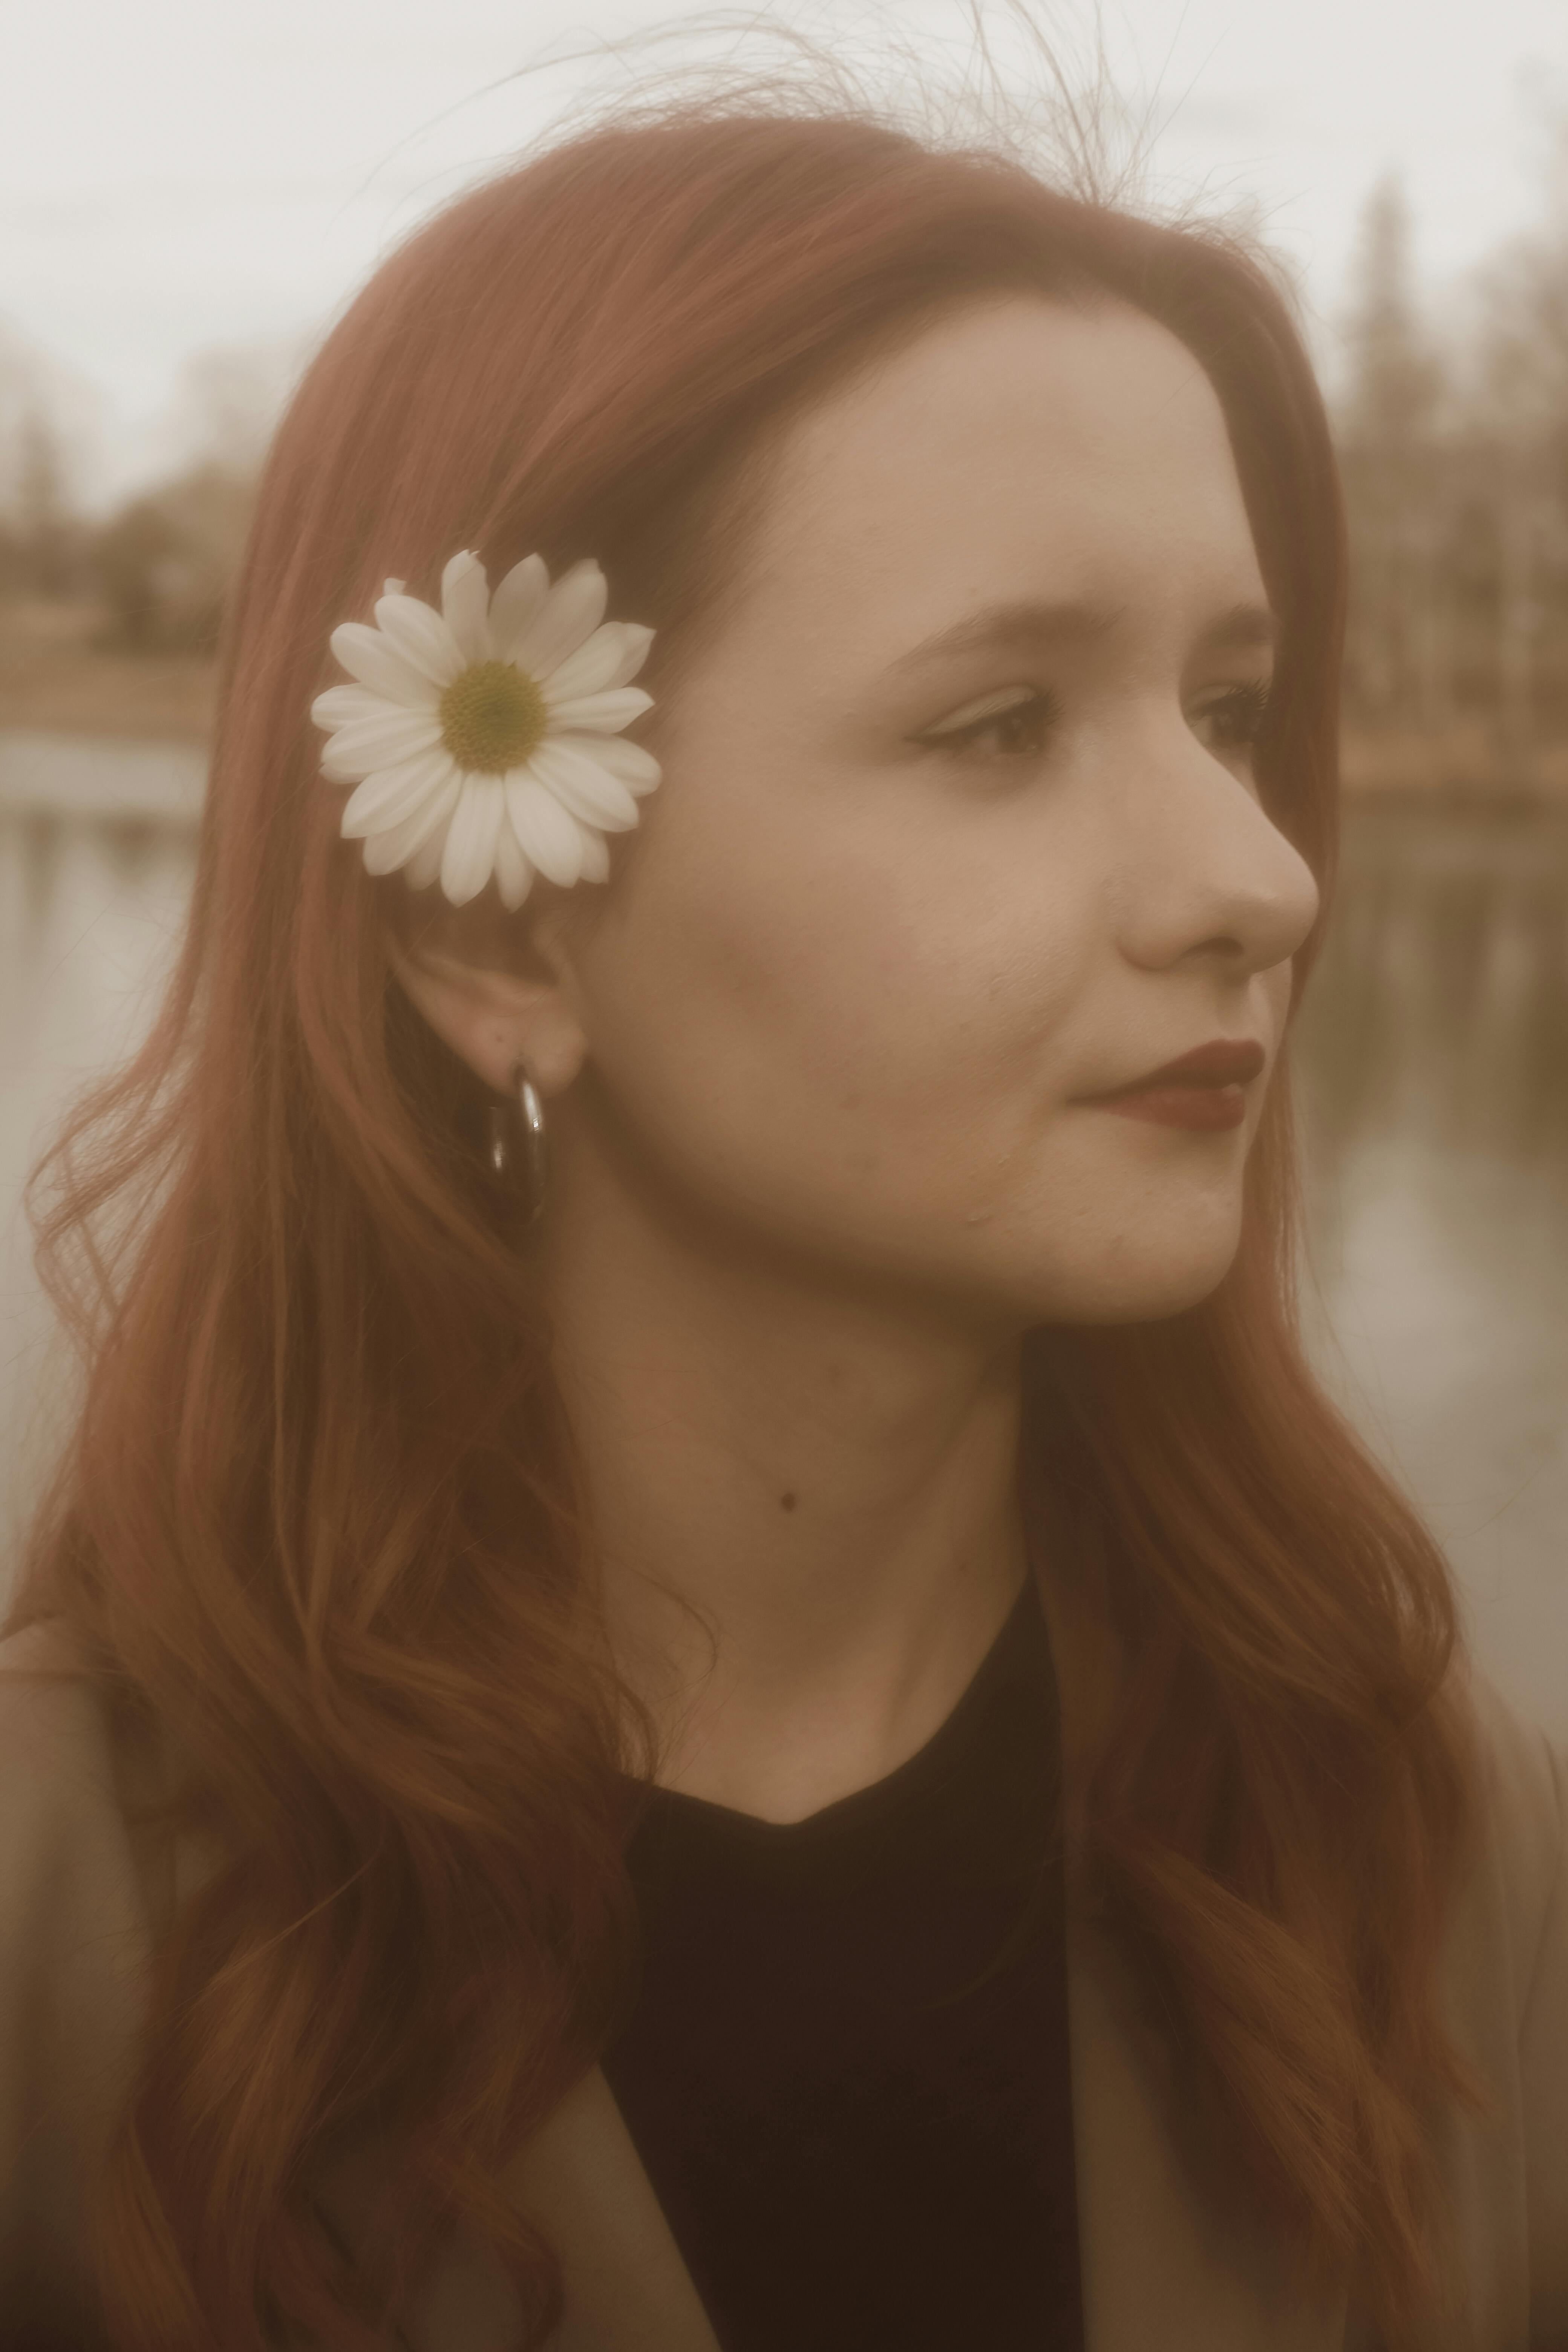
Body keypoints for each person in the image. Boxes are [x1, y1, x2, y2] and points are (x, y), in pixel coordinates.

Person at [0, 83, 1563, 2352]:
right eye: (1002, 724)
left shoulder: (1439, 1866)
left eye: (1233, 708)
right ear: (500, 940)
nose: (1267, 877)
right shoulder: (62, 1938)